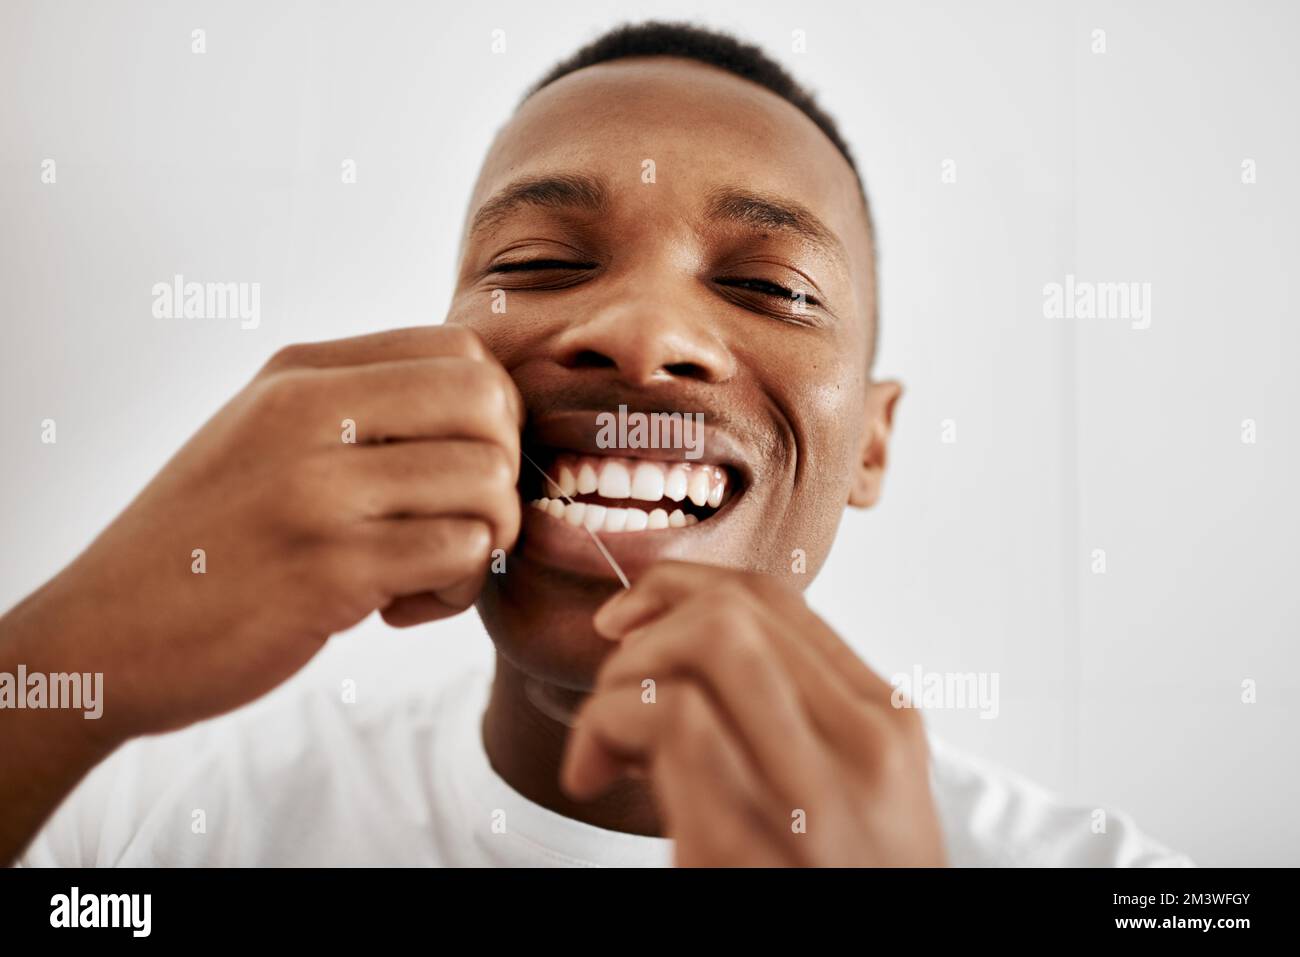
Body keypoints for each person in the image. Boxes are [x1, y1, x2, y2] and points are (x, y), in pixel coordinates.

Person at [1, 22, 1191, 867]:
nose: (642, 332)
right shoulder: (143, 825)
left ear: (870, 447)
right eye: (538, 264)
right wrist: (64, 662)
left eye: (770, 287)